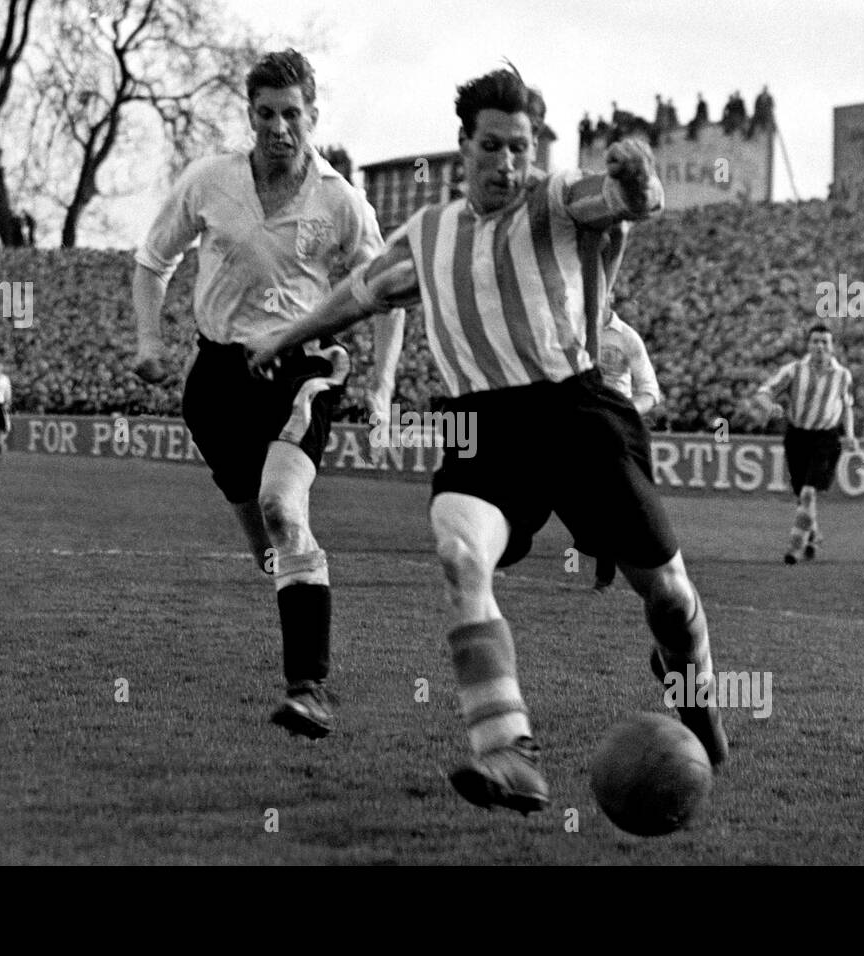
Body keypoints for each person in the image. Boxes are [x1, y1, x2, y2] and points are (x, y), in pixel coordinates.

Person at [248, 65, 729, 815]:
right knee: (459, 553)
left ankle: (695, 695)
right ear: (463, 147)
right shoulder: (430, 233)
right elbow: (361, 291)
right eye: (494, 147)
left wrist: (640, 183)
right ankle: (508, 751)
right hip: (482, 427)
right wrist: (290, 332)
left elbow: (631, 201)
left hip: (576, 415)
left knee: (667, 596)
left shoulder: (560, 196)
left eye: (521, 147)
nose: (510, 163)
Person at [131, 49, 404, 740]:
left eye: (292, 114)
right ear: (249, 116)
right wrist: (149, 344)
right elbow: (153, 259)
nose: (280, 127)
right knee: (270, 552)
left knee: (285, 509)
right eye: (266, 114)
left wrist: (381, 384)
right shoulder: (210, 182)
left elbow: (388, 291)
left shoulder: (340, 200)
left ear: (312, 115)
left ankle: (308, 688)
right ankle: (299, 587)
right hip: (215, 382)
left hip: (302, 371)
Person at [751, 323, 858, 564]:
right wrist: (771, 406)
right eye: (815, 341)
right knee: (802, 494)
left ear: (832, 347)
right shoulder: (794, 370)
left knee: (809, 492)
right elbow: (762, 392)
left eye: (825, 342)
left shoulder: (842, 375)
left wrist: (850, 434)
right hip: (797, 437)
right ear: (808, 345)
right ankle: (813, 534)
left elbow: (847, 407)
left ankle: (795, 547)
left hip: (826, 438)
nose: (820, 346)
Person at [590, 308, 662, 590]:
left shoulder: (627, 338)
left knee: (612, 501)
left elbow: (650, 390)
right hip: (577, 421)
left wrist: (622, 411)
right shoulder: (571, 328)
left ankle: (606, 574)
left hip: (613, 428)